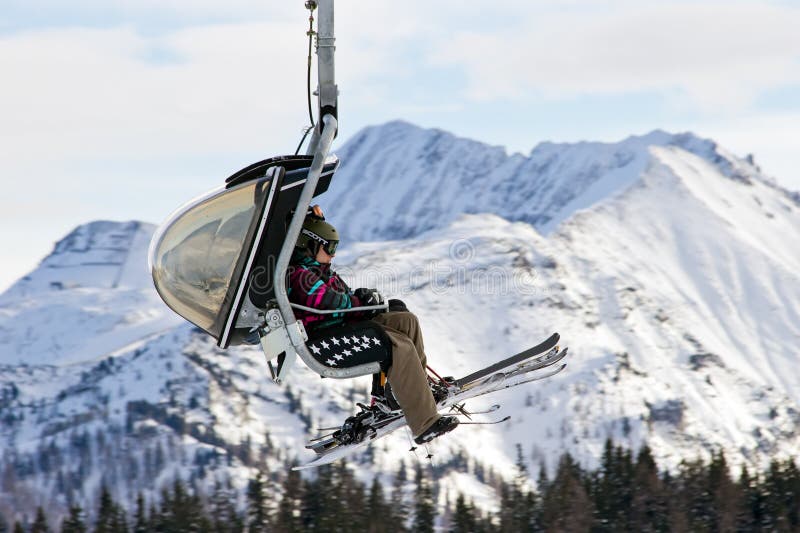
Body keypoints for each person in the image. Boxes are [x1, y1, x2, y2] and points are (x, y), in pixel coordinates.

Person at [287, 206, 459, 444]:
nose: (333, 254)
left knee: (405, 321)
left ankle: (411, 394)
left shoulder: (320, 271)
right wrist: (360, 302)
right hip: (325, 340)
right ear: (310, 244)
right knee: (399, 345)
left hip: (339, 328)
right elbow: (328, 302)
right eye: (330, 247)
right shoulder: (300, 275)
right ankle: (425, 423)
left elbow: (343, 297)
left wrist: (363, 299)